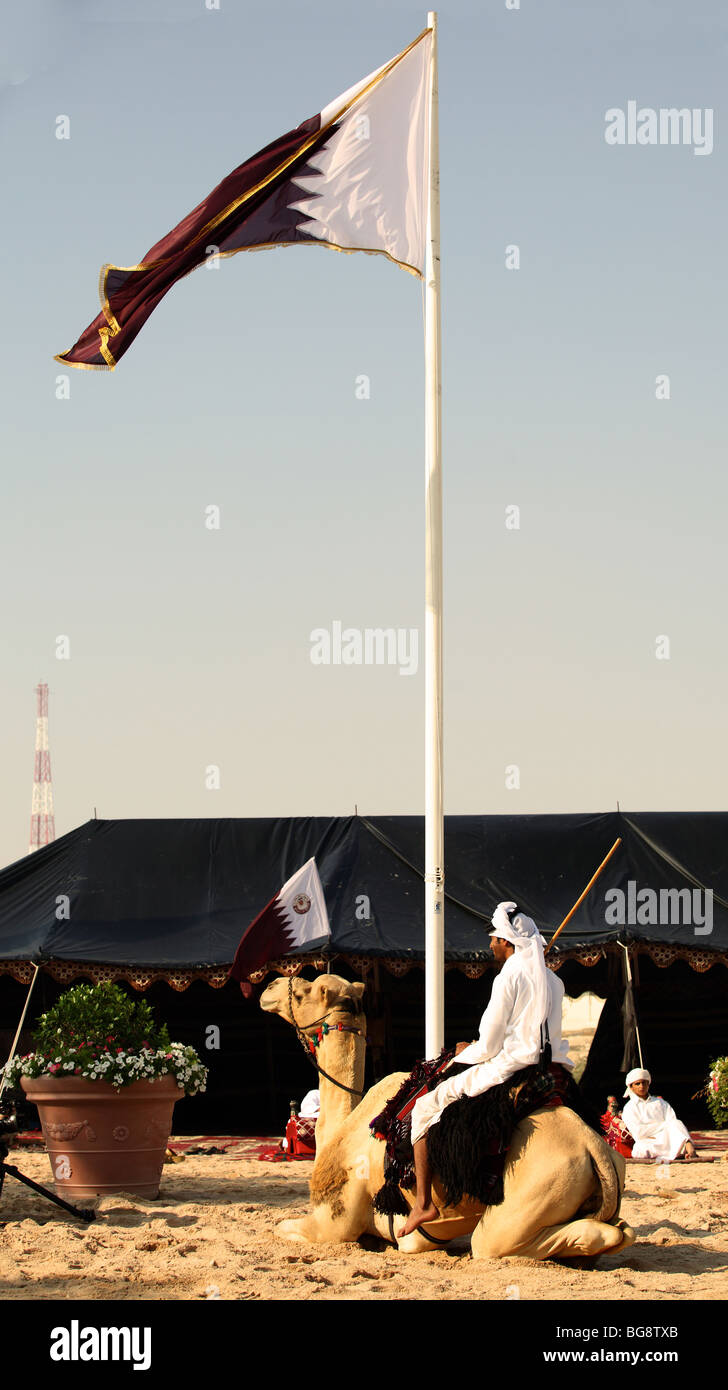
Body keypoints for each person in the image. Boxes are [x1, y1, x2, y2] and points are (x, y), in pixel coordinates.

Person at [399, 900, 572, 1237]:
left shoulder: (508, 977)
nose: (490, 944)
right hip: (552, 1067)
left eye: (494, 938)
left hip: (512, 1066)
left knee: (423, 1107)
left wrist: (463, 1053)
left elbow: (491, 1045)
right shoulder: (555, 981)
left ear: (507, 942)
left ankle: (423, 1203)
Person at [621, 1068, 698, 1161]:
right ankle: (678, 1152)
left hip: (666, 1137)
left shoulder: (660, 1102)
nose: (641, 1086)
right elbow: (638, 1132)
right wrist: (663, 1125)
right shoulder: (629, 1107)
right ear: (631, 1087)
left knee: (677, 1123)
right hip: (648, 1140)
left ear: (648, 1084)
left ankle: (689, 1148)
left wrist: (664, 1128)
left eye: (644, 1083)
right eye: (637, 1083)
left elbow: (672, 1121)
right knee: (640, 1151)